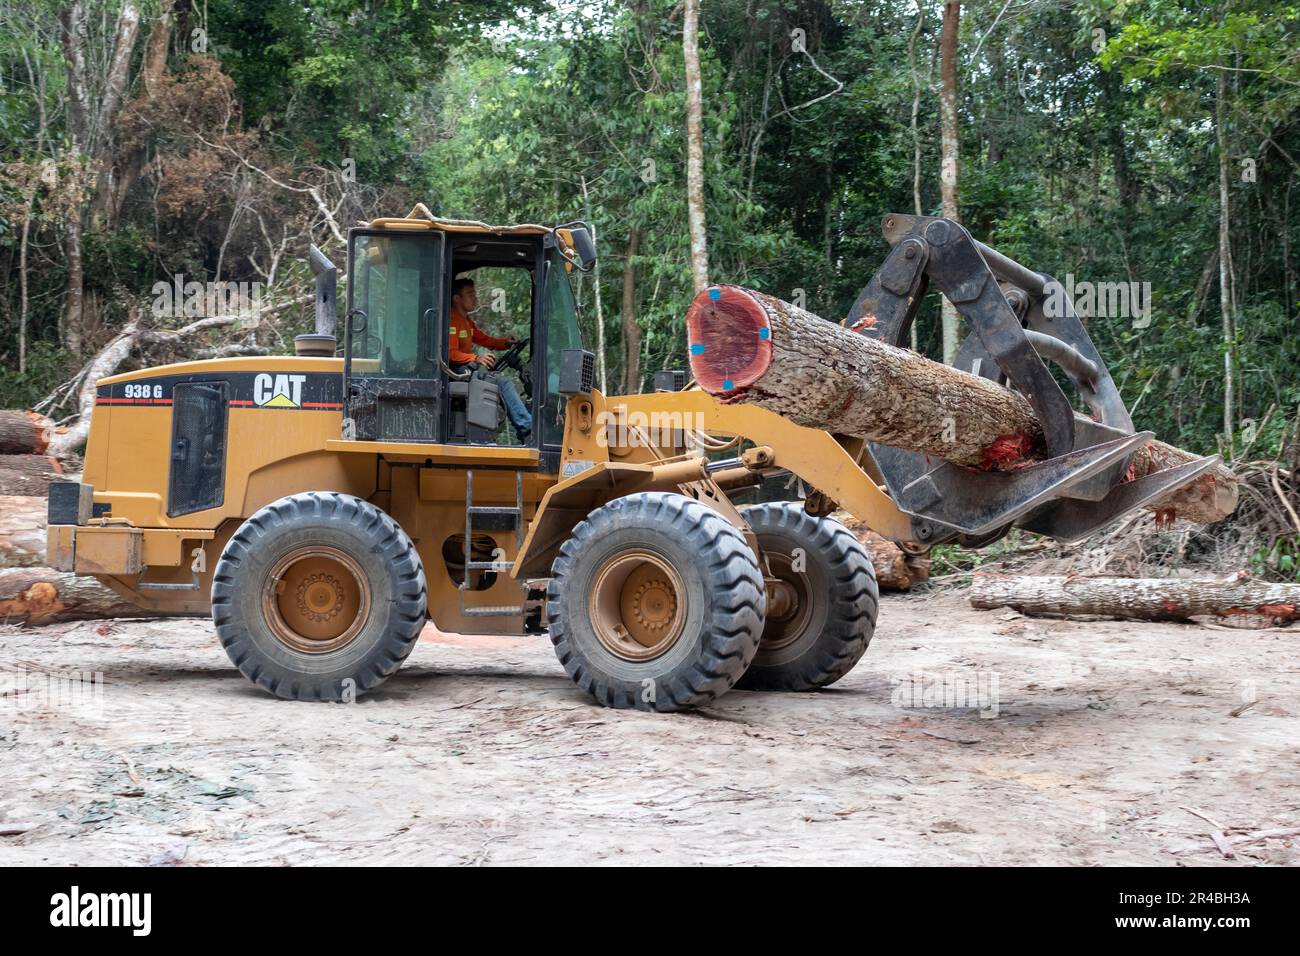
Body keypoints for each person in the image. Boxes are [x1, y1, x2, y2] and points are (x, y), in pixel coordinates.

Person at [448, 277, 532, 443]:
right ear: (457, 298)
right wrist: (476, 358)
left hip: (466, 370)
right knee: (502, 383)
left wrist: (506, 343)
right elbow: (450, 354)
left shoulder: (466, 321)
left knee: (498, 379)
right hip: (456, 372)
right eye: (469, 294)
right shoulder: (452, 320)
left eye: (474, 294)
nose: (475, 298)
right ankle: (528, 429)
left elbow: (485, 339)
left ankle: (526, 426)